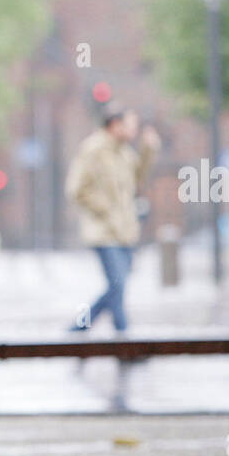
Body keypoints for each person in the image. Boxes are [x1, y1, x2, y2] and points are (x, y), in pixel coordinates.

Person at [65, 107, 159, 333]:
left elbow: (138, 180)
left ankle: (81, 328)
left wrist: (148, 150)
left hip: (126, 231)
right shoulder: (93, 149)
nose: (134, 130)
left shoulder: (125, 152)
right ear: (115, 125)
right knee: (117, 284)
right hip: (103, 231)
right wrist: (106, 209)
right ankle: (122, 337)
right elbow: (76, 189)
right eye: (130, 124)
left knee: (118, 287)